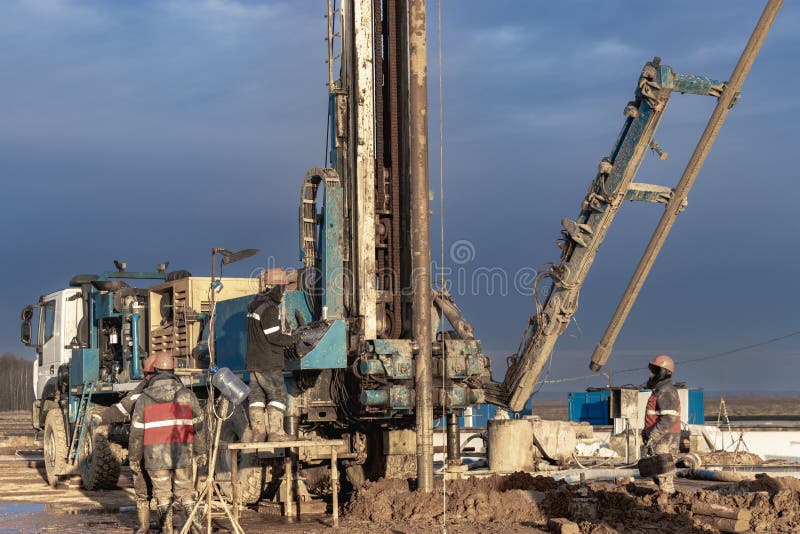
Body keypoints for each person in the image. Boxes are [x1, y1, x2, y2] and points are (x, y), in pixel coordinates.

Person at [129, 352, 207, 534]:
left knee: (162, 496)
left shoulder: (144, 399)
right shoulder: (187, 396)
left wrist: (134, 458)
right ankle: (195, 528)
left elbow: (136, 434)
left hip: (155, 458)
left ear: (154, 372)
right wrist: (201, 451)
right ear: (173, 371)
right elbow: (199, 427)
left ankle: (167, 529)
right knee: (186, 494)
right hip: (182, 455)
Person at [92, 354, 158, 534]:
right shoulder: (179, 390)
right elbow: (122, 408)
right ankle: (163, 525)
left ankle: (147, 526)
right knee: (165, 491)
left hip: (150, 448)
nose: (145, 377)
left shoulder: (144, 391)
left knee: (146, 488)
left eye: (147, 374)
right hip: (173, 451)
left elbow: (123, 409)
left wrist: (102, 417)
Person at [246, 280, 297, 442]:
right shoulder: (270, 309)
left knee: (256, 397)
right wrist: (294, 338)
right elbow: (273, 336)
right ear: (276, 292)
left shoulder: (255, 306)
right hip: (268, 362)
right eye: (283, 292)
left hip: (254, 361)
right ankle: (276, 433)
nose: (283, 296)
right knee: (278, 394)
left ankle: (258, 434)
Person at [641, 354, 681, 494]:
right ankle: (662, 502)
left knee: (664, 476)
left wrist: (653, 435)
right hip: (659, 438)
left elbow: (669, 418)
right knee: (656, 474)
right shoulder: (659, 391)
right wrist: (646, 433)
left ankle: (667, 505)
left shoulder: (666, 391)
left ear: (662, 373)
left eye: (654, 370)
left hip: (664, 440)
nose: (650, 374)